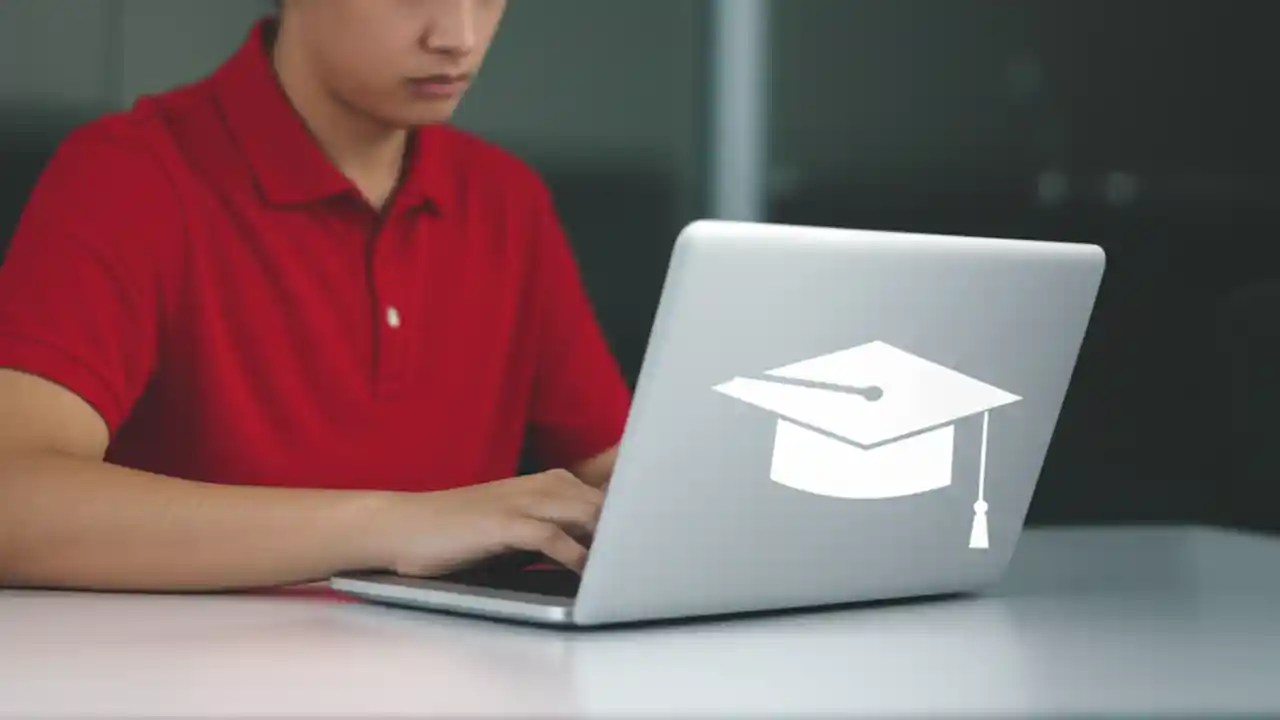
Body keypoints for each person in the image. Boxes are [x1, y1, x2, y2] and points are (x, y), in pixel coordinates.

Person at [0, 0, 631, 592]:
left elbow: (614, 471)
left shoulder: (505, 201)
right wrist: (393, 526)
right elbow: (13, 498)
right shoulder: (129, 176)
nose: (457, 37)